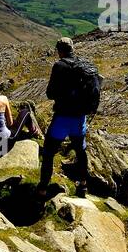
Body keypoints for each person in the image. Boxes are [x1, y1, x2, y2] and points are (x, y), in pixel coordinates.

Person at [38, 37, 99, 199]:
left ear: (59, 50)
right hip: (80, 119)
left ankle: (43, 188)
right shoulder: (85, 66)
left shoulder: (59, 66)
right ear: (72, 48)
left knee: (49, 152)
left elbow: (50, 93)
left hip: (62, 118)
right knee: (81, 151)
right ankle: (83, 185)